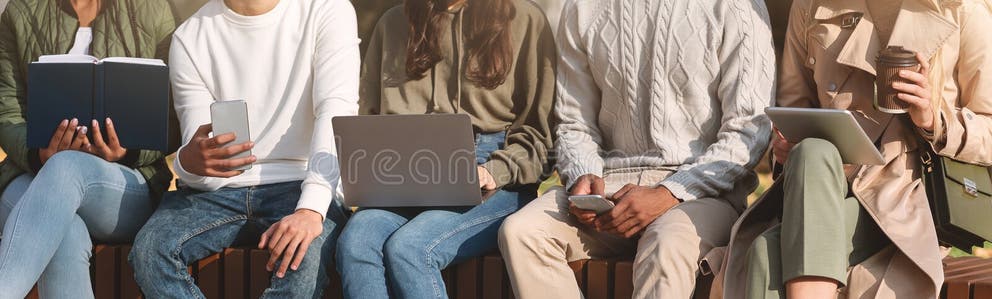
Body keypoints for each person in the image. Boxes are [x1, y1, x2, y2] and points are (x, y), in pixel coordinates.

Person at [713, 0, 992, 298]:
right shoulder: (810, 7)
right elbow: (794, 112)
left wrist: (933, 119)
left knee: (764, 252)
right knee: (811, 151)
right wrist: (782, 147)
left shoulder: (962, 8)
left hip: (910, 195)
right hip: (820, 185)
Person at [497, 0, 776, 298]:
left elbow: (749, 128)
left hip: (705, 196)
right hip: (608, 193)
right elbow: (574, 120)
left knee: (666, 244)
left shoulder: (737, 6)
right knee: (522, 232)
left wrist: (670, 192)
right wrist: (584, 174)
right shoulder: (581, 7)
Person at [127, 0, 360, 297]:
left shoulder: (327, 10)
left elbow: (336, 111)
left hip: (302, 184)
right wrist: (189, 163)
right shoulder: (190, 36)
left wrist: (311, 209)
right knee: (150, 250)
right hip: (218, 194)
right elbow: (203, 167)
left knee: (305, 262)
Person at [333, 0, 556, 298]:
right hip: (402, 174)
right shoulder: (392, 23)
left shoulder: (525, 19)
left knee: (410, 248)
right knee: (356, 241)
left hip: (493, 173)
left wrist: (494, 171)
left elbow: (539, 134)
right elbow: (366, 121)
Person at [0, 0, 176, 298]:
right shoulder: (21, 10)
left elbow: (174, 120)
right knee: (64, 231)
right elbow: (7, 114)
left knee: (66, 166)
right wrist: (39, 155)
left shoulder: (152, 9)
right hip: (31, 175)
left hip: (125, 182)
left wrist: (127, 152)